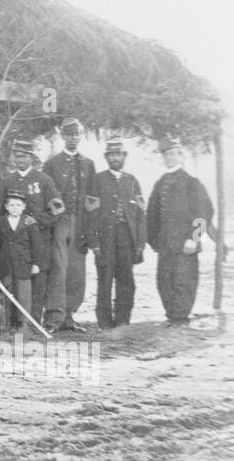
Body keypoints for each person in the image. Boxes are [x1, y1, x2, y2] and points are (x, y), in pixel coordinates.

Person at [146, 137, 218, 325]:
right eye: (166, 154)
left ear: (180, 155)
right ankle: (171, 316)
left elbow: (204, 213)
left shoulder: (191, 183)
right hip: (166, 245)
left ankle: (180, 317)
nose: (169, 157)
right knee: (164, 281)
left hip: (186, 245)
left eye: (173, 153)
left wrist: (194, 239)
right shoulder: (160, 183)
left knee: (183, 281)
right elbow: (151, 215)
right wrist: (154, 241)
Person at [84, 137, 146, 330]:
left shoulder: (132, 180)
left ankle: (122, 321)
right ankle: (104, 323)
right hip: (105, 238)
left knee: (127, 280)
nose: (116, 158)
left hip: (127, 238)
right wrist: (94, 242)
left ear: (124, 157)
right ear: (107, 157)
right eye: (112, 155)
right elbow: (90, 213)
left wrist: (140, 243)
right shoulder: (98, 180)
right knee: (104, 279)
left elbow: (140, 215)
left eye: (119, 154)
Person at [42, 118, 98, 331]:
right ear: (63, 136)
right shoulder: (53, 163)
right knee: (59, 268)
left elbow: (92, 198)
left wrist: (90, 227)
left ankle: (69, 316)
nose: (74, 138)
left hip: (80, 221)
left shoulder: (88, 164)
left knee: (77, 270)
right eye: (69, 134)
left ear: (81, 136)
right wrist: (53, 220)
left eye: (77, 134)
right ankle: (53, 317)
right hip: (60, 222)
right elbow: (47, 194)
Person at [3, 138, 59, 330]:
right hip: (16, 245)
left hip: (39, 241)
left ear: (32, 158)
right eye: (17, 156)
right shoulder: (7, 180)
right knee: (16, 282)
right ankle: (16, 322)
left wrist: (37, 220)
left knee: (39, 281)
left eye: (24, 156)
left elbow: (57, 210)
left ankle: (35, 321)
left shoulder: (44, 180)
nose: (20, 160)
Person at [0, 189, 43, 334]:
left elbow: (37, 245)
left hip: (24, 265)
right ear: (6, 207)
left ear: (24, 207)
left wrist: (36, 264)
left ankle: (23, 324)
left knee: (23, 294)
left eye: (18, 205)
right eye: (11, 205)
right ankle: (6, 323)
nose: (15, 208)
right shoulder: (0, 222)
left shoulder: (29, 223)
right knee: (6, 293)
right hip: (5, 264)